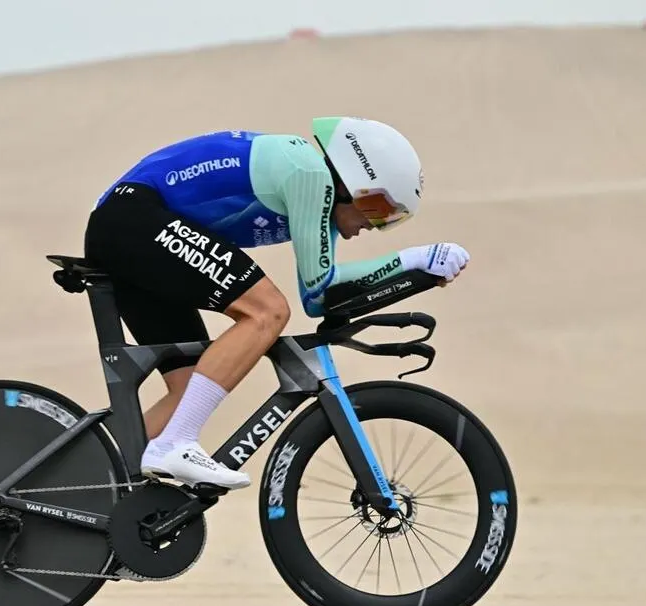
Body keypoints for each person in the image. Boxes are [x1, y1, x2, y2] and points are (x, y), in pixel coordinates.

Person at [83, 117, 469, 491]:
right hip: (131, 219)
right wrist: (413, 259)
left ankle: (84, 476)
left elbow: (317, 301)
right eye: (378, 209)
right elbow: (320, 284)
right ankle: (174, 444)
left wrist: (413, 278)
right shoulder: (308, 173)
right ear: (350, 182)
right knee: (266, 311)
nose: (374, 225)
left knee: (188, 387)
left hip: (131, 228)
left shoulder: (320, 196)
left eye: (389, 219)